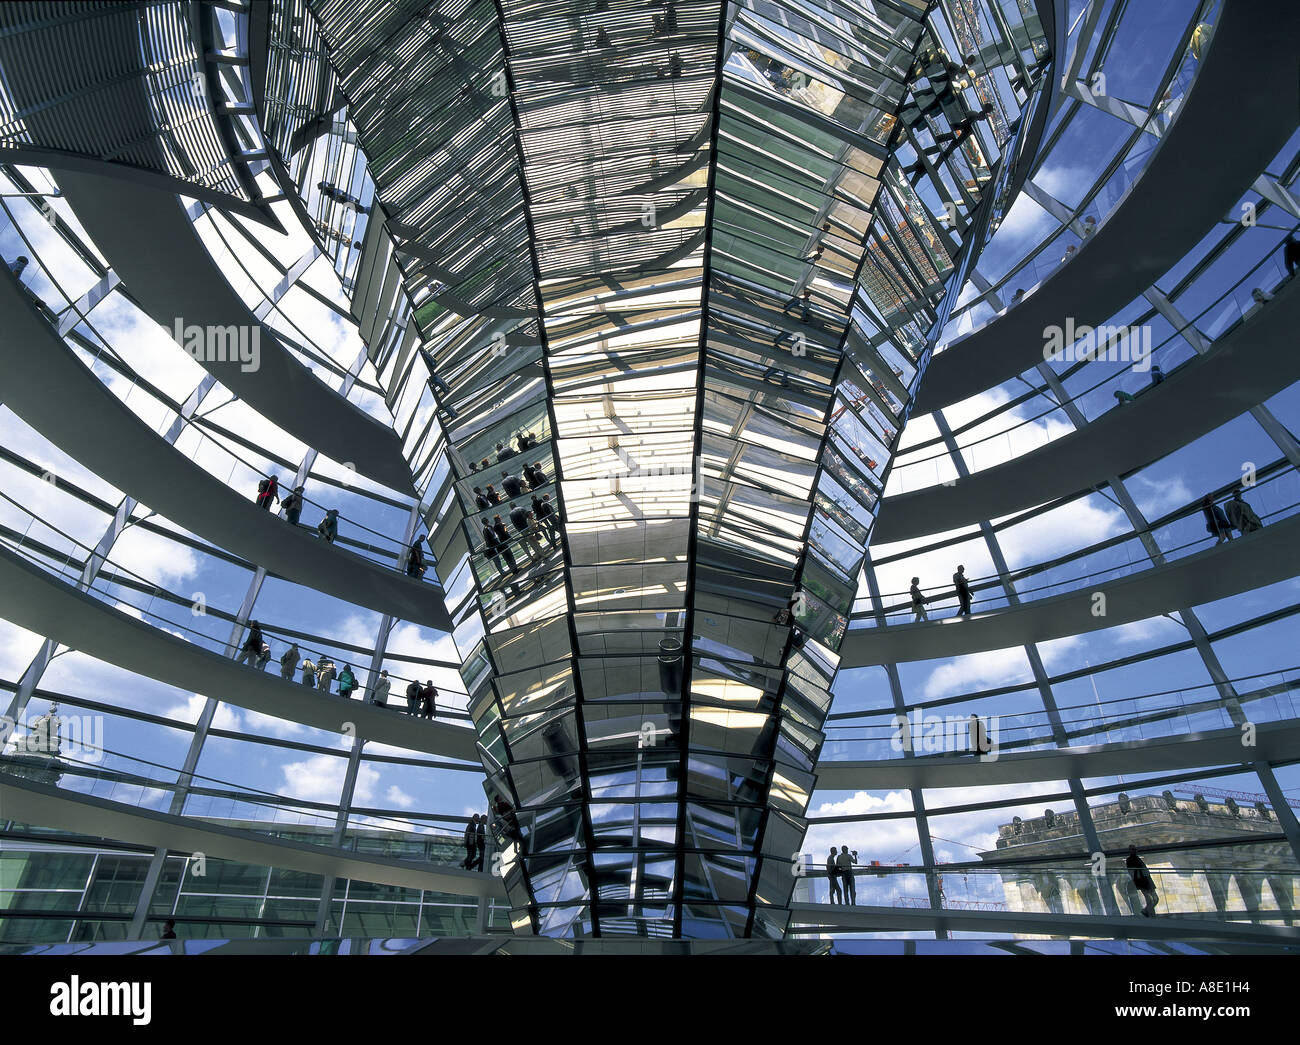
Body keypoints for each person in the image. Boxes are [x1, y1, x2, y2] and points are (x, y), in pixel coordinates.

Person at [1127, 845, 1160, 916]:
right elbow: (1132, 872)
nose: (1134, 850)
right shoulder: (1130, 859)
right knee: (1150, 899)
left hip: (1147, 880)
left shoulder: (1137, 858)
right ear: (1130, 850)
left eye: (1135, 849)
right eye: (1132, 849)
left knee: (1155, 899)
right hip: (1142, 881)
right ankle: (1150, 913)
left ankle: (1146, 911)